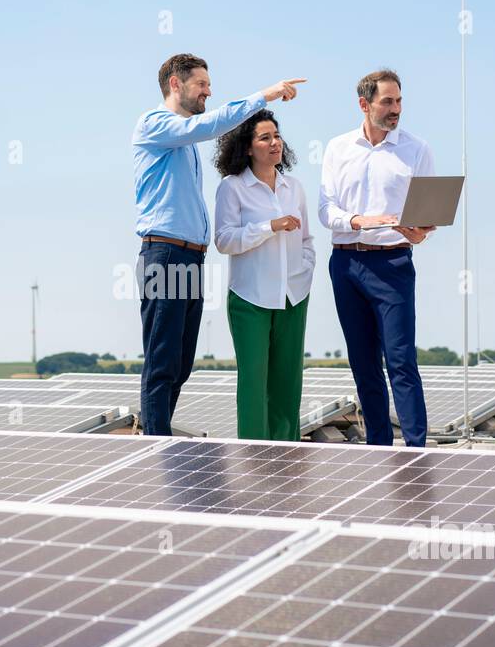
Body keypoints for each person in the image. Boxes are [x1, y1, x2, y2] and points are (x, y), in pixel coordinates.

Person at [132, 54, 304, 436]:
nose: (208, 91)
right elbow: (211, 124)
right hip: (165, 255)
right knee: (162, 359)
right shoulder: (155, 124)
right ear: (176, 85)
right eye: (202, 84)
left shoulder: (185, 139)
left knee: (180, 361)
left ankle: (159, 434)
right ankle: (155, 445)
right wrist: (264, 96)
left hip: (190, 258)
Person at [318, 68, 436, 446]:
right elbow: (325, 210)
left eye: (399, 100)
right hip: (346, 265)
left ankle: (416, 450)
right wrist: (358, 221)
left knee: (401, 362)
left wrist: (421, 232)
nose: (396, 108)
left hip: (393, 265)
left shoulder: (417, 150)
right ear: (364, 105)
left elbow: (426, 218)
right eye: (388, 101)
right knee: (364, 366)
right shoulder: (337, 148)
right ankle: (378, 449)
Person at [213, 110, 315, 441]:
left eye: (277, 136)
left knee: (288, 384)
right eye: (264, 138)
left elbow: (308, 241)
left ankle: (287, 459)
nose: (275, 143)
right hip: (250, 299)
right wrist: (269, 227)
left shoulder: (294, 187)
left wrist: (304, 274)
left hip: (293, 297)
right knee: (254, 386)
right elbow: (224, 240)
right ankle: (253, 461)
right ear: (247, 147)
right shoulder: (232, 188)